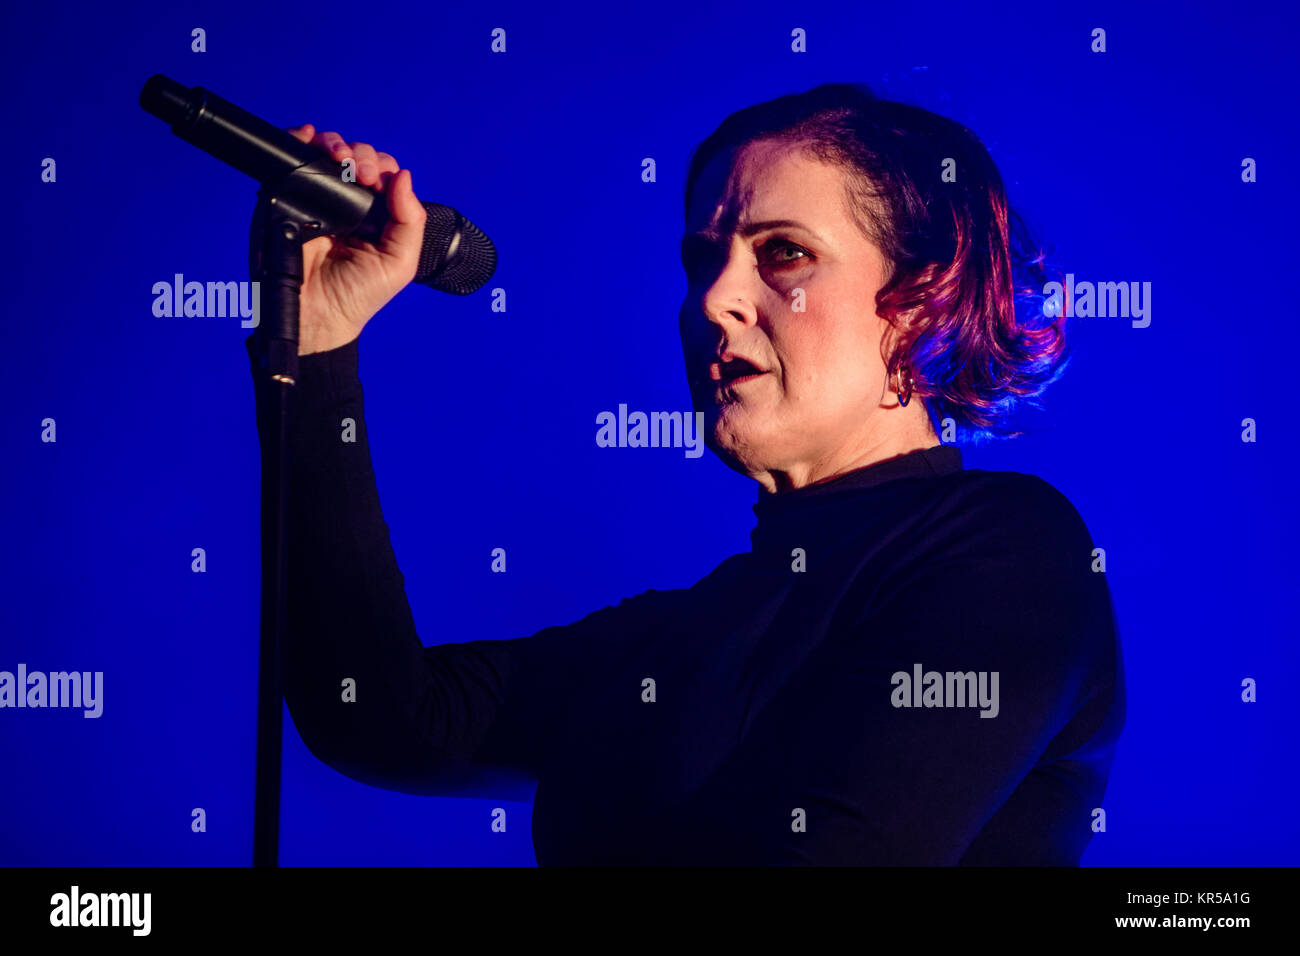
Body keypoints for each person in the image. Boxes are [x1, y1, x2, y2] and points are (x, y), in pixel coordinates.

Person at [246, 82, 1125, 865]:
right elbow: (382, 717)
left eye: (783, 253)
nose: (713, 300)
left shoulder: (1014, 548)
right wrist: (320, 347)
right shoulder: (675, 638)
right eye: (704, 259)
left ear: (918, 303)